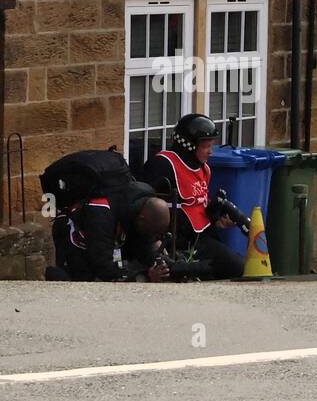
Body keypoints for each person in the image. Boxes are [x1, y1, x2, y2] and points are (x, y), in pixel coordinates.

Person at [139, 113, 244, 281]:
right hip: (175, 241)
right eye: (206, 146)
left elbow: (198, 206)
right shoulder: (163, 165)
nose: (211, 152)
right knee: (224, 267)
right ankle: (189, 270)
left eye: (212, 145)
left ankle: (190, 270)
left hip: (200, 239)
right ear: (188, 145)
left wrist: (218, 220)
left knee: (237, 266)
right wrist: (155, 243)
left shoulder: (204, 169)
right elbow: (145, 209)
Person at [50, 183, 172, 282]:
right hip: (72, 236)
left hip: (97, 239)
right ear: (142, 219)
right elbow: (103, 268)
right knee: (82, 279)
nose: (155, 237)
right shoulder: (102, 214)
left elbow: (144, 254)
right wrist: (144, 276)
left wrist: (161, 264)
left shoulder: (136, 214)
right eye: (153, 232)